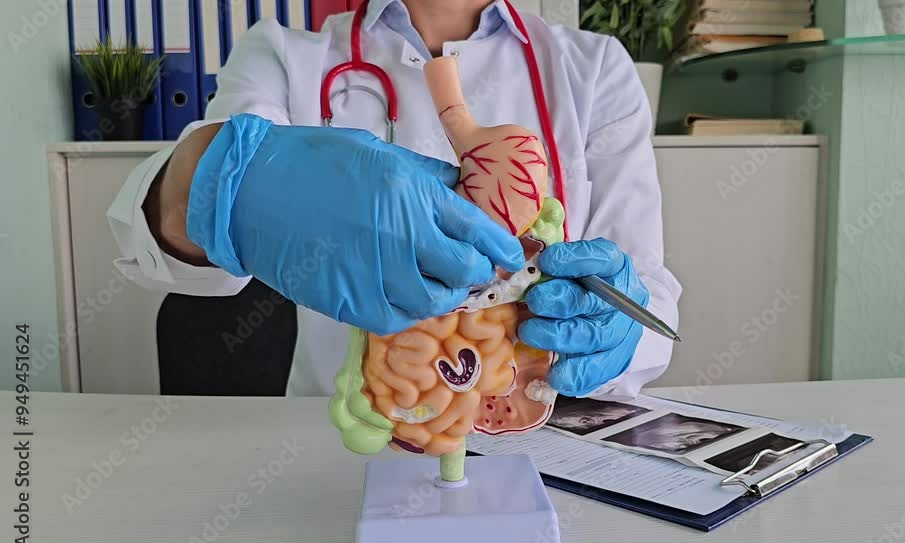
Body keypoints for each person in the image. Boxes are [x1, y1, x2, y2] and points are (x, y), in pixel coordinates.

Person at [108, 0, 681, 400]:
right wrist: (217, 178)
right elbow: (176, 232)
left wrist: (615, 333)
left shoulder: (593, 68)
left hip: (542, 445)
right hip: (337, 445)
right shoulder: (284, 56)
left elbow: (647, 295)